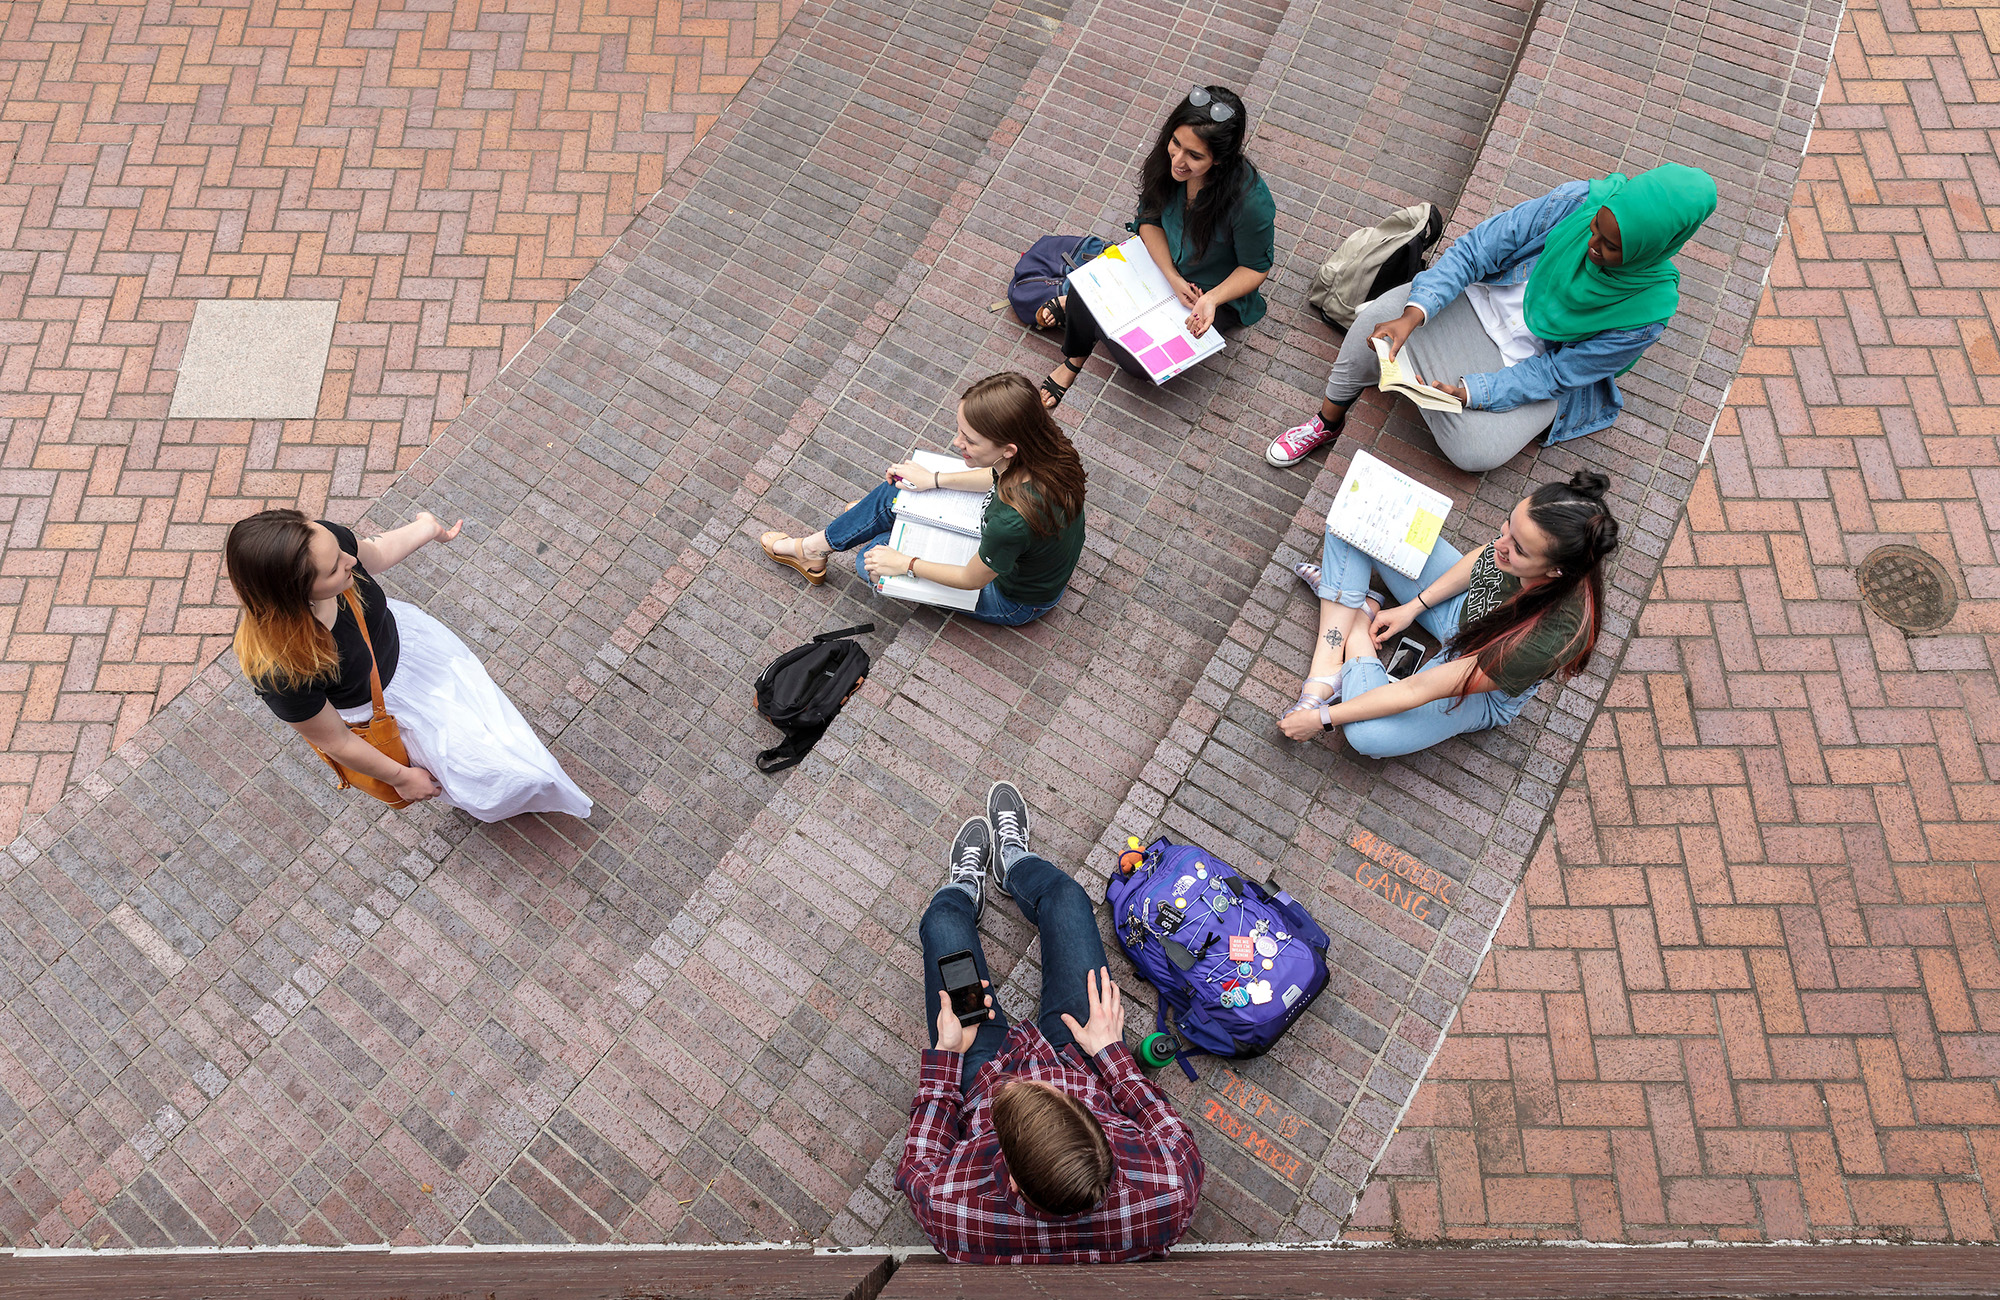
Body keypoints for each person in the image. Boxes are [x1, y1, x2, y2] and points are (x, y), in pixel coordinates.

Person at [895, 780, 1204, 1263]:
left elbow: (917, 1165)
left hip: (982, 1069)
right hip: (1081, 1057)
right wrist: (1111, 1056)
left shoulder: (950, 1208)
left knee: (943, 926)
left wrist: (947, 1059)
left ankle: (960, 891)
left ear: (1011, 1176)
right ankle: (1013, 863)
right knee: (1067, 900)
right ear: (1101, 1135)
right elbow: (1169, 1131)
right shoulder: (1170, 1187)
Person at [1267, 164, 1718, 472]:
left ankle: (1428, 385)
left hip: (1528, 366)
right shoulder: (1578, 201)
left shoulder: (1648, 313)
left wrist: (1475, 392)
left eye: (1611, 246)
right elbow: (1478, 250)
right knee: (1377, 323)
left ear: (1655, 246)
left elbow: (1560, 373)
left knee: (1474, 451)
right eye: (1596, 228)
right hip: (1478, 304)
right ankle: (1327, 421)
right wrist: (1413, 314)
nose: (1591, 245)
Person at [225, 509, 593, 821]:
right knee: (487, 767)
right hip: (393, 708)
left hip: (418, 653)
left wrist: (427, 528)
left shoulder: (325, 544)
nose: (350, 560)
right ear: (294, 591)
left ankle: (533, 789)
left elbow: (374, 553)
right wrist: (401, 777)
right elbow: (335, 740)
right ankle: (524, 793)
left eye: (340, 550)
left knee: (497, 736)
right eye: (336, 568)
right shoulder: (279, 670)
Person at [1279, 471, 1620, 757]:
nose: (1500, 544)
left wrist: (1322, 719)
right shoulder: (1521, 541)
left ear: (1556, 570)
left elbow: (1419, 689)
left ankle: (1352, 616)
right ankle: (1329, 666)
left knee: (1368, 735)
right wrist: (1413, 608)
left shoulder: (1548, 639)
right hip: (1462, 613)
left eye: (1517, 548)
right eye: (1508, 528)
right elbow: (1483, 560)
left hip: (1480, 681)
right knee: (1357, 510)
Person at [760, 373, 1087, 627]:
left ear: (1008, 448)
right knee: (898, 493)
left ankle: (843, 536)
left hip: (1014, 598)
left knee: (869, 562)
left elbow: (970, 579)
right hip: (1012, 553)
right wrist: (934, 480)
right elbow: (996, 474)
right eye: (960, 430)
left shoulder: (1010, 522)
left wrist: (906, 565)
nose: (956, 441)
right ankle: (814, 548)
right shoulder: (1047, 450)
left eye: (969, 440)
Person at [1038, 85, 1275, 409]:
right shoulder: (1168, 163)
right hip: (1161, 266)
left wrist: (1212, 300)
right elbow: (1148, 220)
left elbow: (1255, 267)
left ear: (1219, 159)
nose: (1178, 160)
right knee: (1086, 284)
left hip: (1208, 292)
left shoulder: (1250, 202)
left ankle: (1084, 311)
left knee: (1137, 364)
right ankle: (1074, 358)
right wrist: (1171, 277)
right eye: (1175, 143)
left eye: (1194, 156)